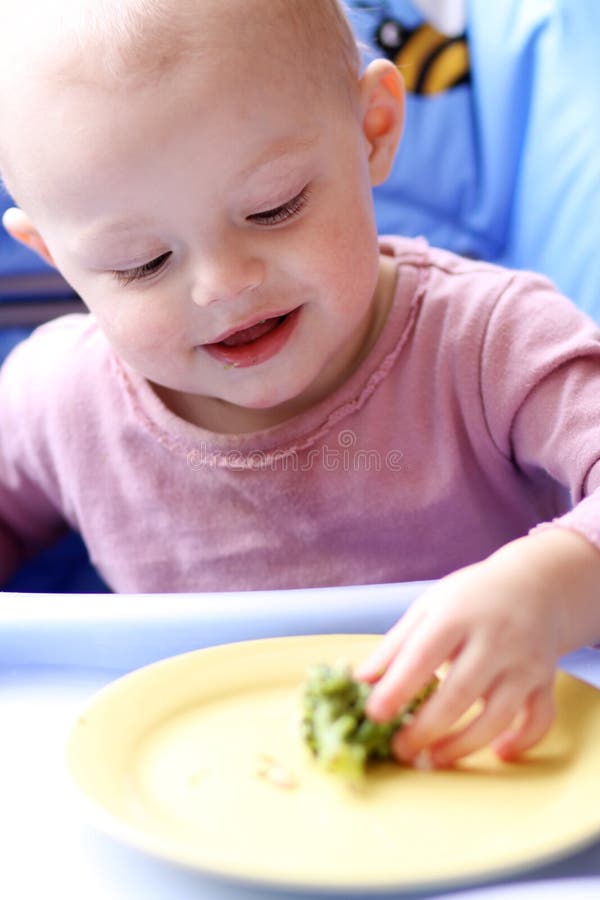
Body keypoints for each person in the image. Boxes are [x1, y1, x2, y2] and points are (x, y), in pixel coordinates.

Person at [1, 0, 600, 769]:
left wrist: (552, 591)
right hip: (199, 800)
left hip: (491, 769)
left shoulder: (491, 344)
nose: (222, 285)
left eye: (273, 207)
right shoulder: (58, 402)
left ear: (374, 130)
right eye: (140, 263)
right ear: (54, 256)